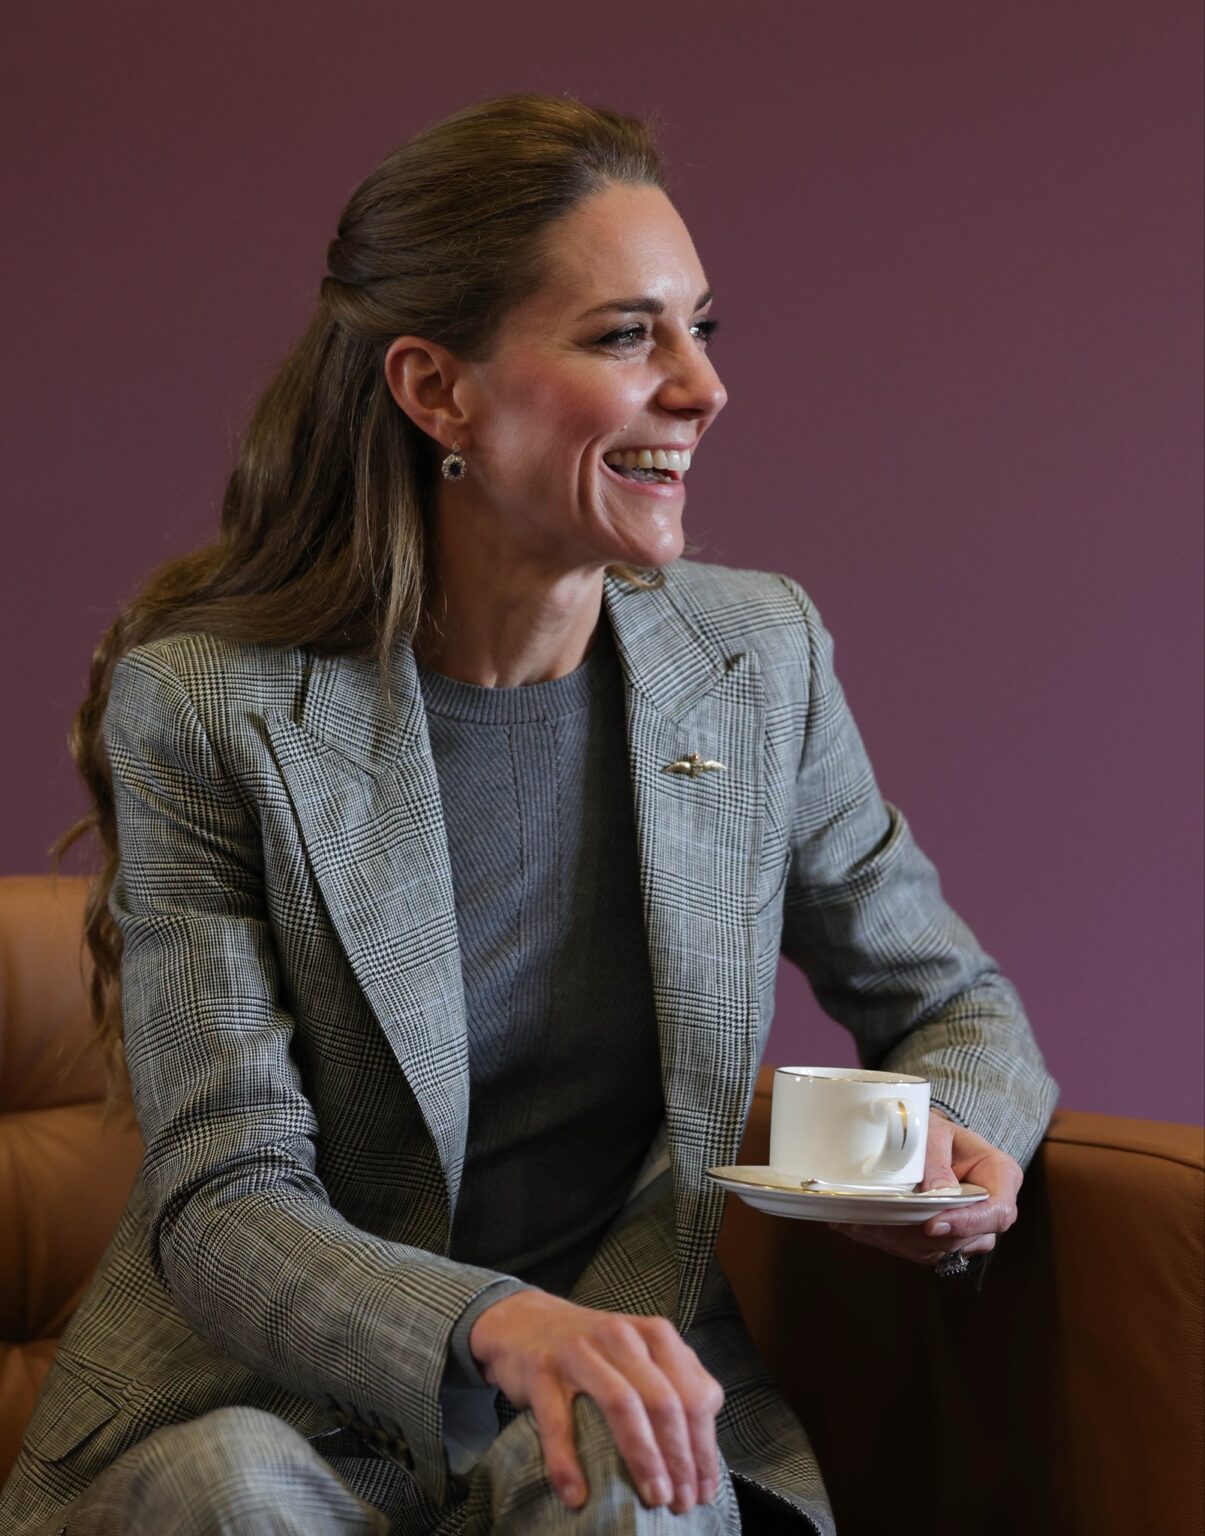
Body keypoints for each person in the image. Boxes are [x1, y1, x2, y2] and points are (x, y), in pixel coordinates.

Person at [0, 93, 1057, 1535]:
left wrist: (952, 1151)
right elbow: (226, 1196)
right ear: (437, 392)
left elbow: (959, 1008)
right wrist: (502, 1321)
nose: (701, 387)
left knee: (630, 1496)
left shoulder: (753, 661)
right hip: (267, 1402)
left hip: (632, 1404)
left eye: (700, 328)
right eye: (626, 336)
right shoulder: (205, 709)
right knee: (227, 1493)